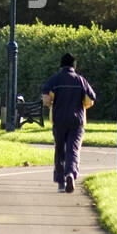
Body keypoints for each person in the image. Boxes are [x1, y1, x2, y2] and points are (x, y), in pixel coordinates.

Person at [41, 53, 96, 193]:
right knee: (73, 149)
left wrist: (50, 103)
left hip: (59, 120)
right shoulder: (81, 80)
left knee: (59, 150)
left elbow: (46, 98)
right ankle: (70, 173)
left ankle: (60, 182)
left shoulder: (55, 80)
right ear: (74, 65)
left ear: (61, 65)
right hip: (77, 121)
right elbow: (92, 98)